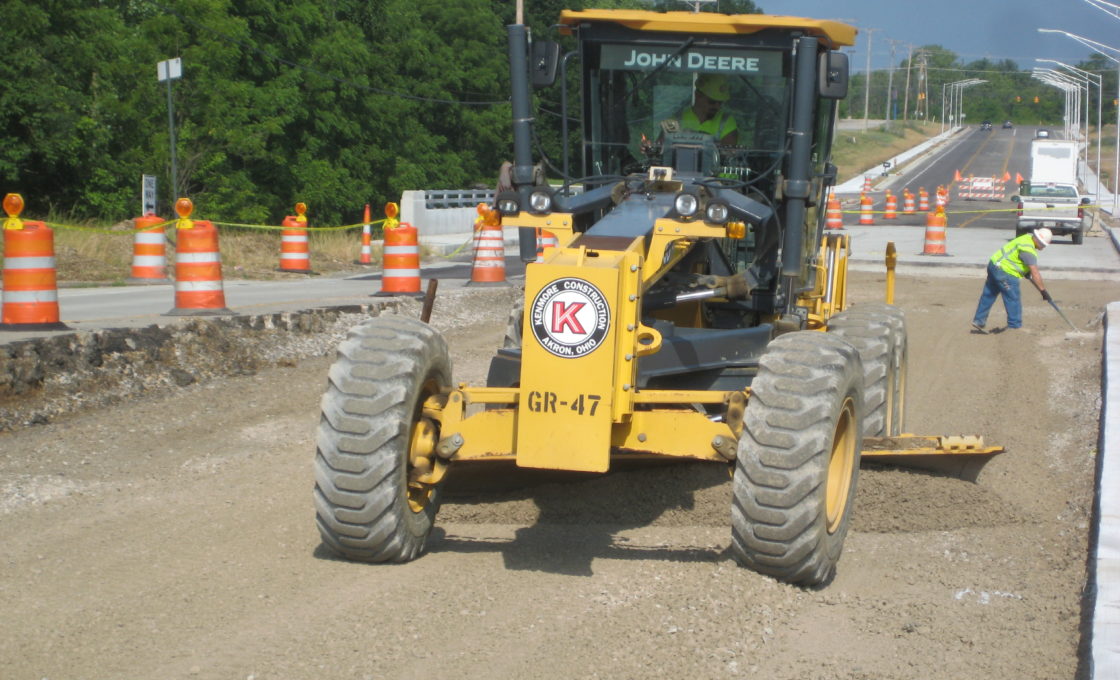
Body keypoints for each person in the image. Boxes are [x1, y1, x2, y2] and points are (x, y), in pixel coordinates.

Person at [971, 228, 1053, 333]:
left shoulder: (1026, 238)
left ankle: (979, 320)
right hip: (1005, 272)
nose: (1044, 247)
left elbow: (1017, 258)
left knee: (989, 294)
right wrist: (1043, 291)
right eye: (1044, 245)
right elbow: (1035, 273)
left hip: (994, 264)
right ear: (1039, 241)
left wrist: (1025, 271)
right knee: (1013, 297)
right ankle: (1015, 326)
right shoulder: (1029, 251)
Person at [678, 74, 738, 146]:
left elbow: (729, 153)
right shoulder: (677, 119)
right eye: (712, 102)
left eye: (720, 103)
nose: (717, 107)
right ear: (698, 95)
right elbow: (663, 150)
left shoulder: (726, 121)